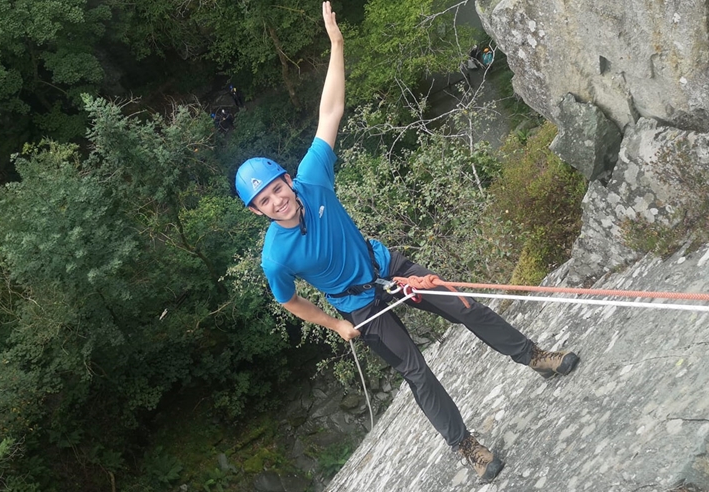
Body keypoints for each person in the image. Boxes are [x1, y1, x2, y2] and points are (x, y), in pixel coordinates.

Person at [234, 1, 580, 483]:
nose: (277, 202)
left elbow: (330, 109)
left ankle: (535, 357)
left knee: (466, 306)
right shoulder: (275, 257)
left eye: (277, 190)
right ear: (256, 213)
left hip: (387, 268)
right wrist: (335, 325)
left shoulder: (314, 180)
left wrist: (336, 45)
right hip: (360, 308)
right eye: (265, 202)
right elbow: (289, 301)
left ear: (288, 181)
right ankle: (466, 446)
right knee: (417, 370)